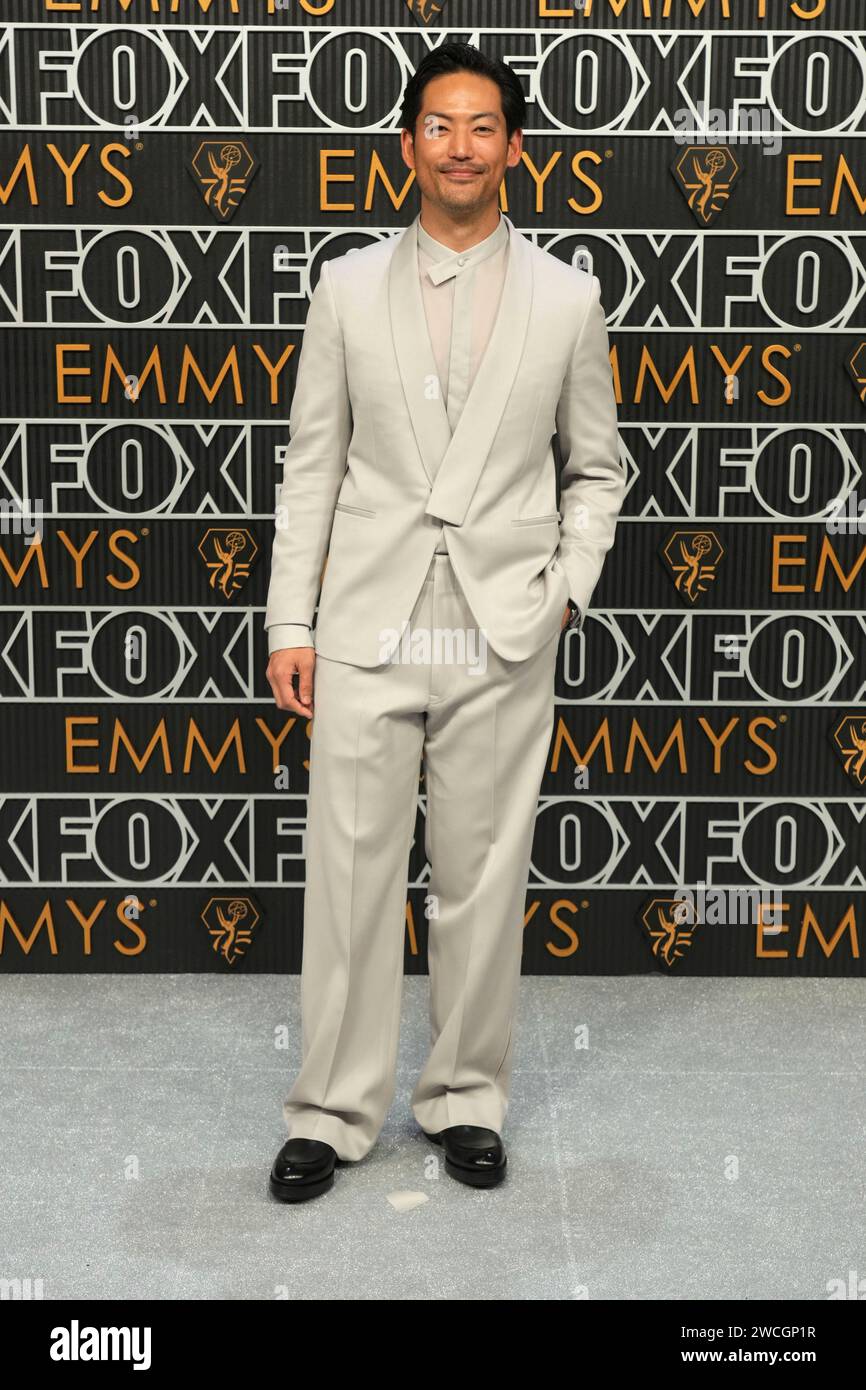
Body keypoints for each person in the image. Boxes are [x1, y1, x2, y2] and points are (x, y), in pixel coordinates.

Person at [265, 40, 625, 1202]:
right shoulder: (345, 285)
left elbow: (597, 469)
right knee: (352, 873)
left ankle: (465, 1096)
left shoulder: (570, 297)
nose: (459, 145)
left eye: (481, 126)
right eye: (438, 124)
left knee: (479, 874)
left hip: (500, 628)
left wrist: (565, 585)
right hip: (365, 622)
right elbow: (311, 465)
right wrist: (288, 624)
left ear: (514, 147)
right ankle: (329, 1109)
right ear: (407, 144)